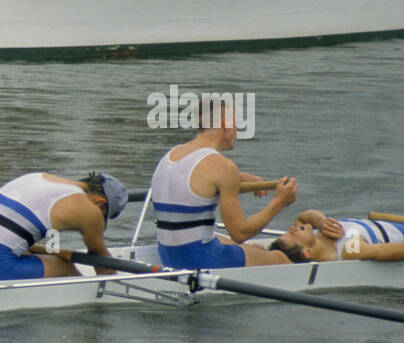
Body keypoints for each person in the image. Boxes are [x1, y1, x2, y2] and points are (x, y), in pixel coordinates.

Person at [149, 112, 297, 269]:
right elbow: (240, 233)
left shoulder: (171, 155)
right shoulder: (223, 166)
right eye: (235, 124)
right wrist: (279, 202)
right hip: (201, 261)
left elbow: (197, 184)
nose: (237, 132)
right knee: (279, 258)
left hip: (167, 254)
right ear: (225, 124)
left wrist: (244, 177)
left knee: (256, 249)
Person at [0, 172, 128, 282]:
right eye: (104, 214)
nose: (100, 220)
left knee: (30, 251)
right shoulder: (89, 211)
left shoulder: (38, 177)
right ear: (100, 202)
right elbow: (101, 261)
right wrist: (113, 291)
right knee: (64, 267)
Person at [269, 211, 404, 263]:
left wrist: (321, 221)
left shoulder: (318, 233)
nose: (292, 228)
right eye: (292, 235)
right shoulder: (350, 250)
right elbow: (382, 251)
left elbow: (303, 216)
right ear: (307, 252)